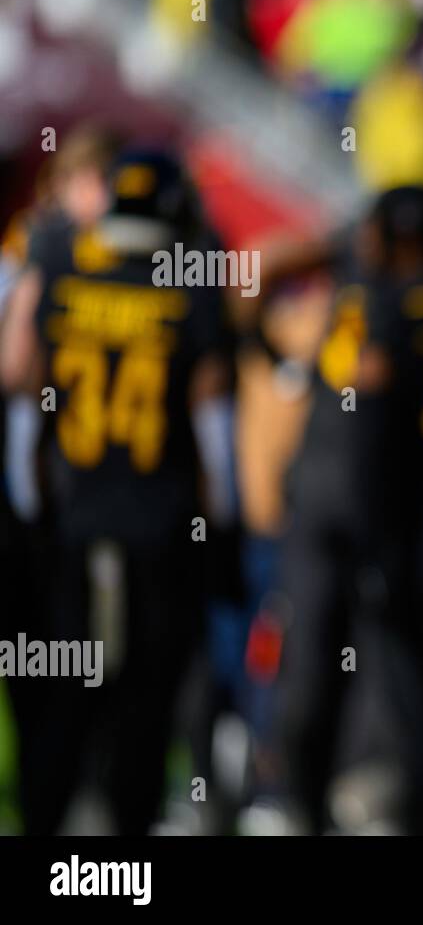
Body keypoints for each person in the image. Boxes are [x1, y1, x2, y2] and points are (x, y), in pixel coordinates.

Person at [0, 149, 233, 834]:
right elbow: (211, 412)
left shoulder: (62, 267)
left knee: (63, 693)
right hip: (159, 523)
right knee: (145, 696)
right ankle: (124, 851)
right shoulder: (189, 286)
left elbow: (19, 377)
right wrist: (222, 519)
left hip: (69, 516)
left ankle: (55, 837)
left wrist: (32, 496)